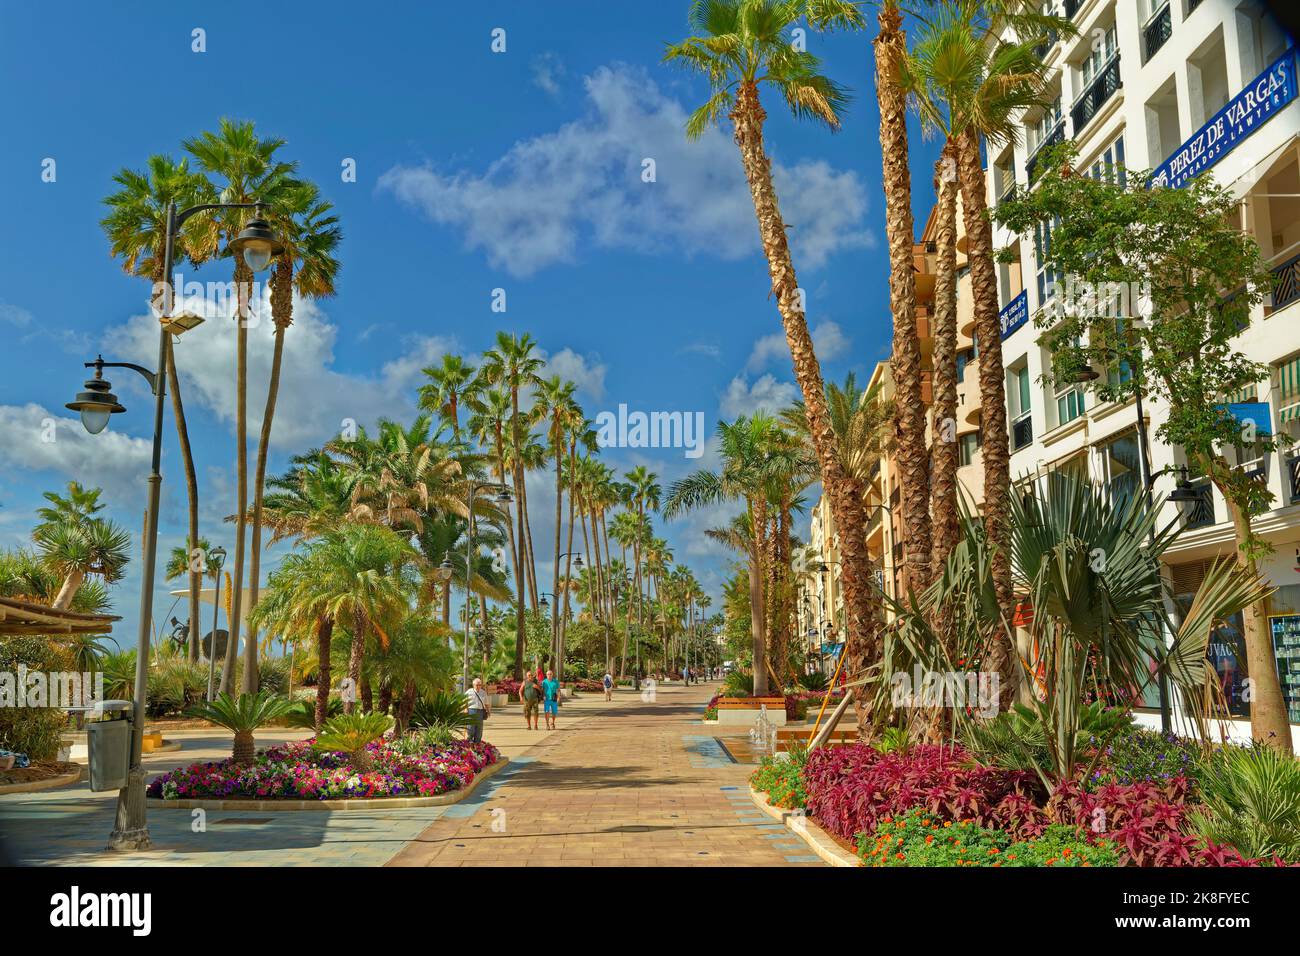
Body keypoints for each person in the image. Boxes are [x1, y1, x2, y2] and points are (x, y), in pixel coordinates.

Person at [465, 677, 490, 743]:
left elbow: (486, 703)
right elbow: (465, 701)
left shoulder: (483, 692)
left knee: (479, 728)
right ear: (473, 685)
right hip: (471, 711)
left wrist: (488, 711)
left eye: (480, 685)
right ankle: (469, 742)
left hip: (480, 711)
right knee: (471, 727)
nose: (478, 686)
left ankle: (477, 743)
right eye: (477, 685)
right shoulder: (469, 692)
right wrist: (465, 709)